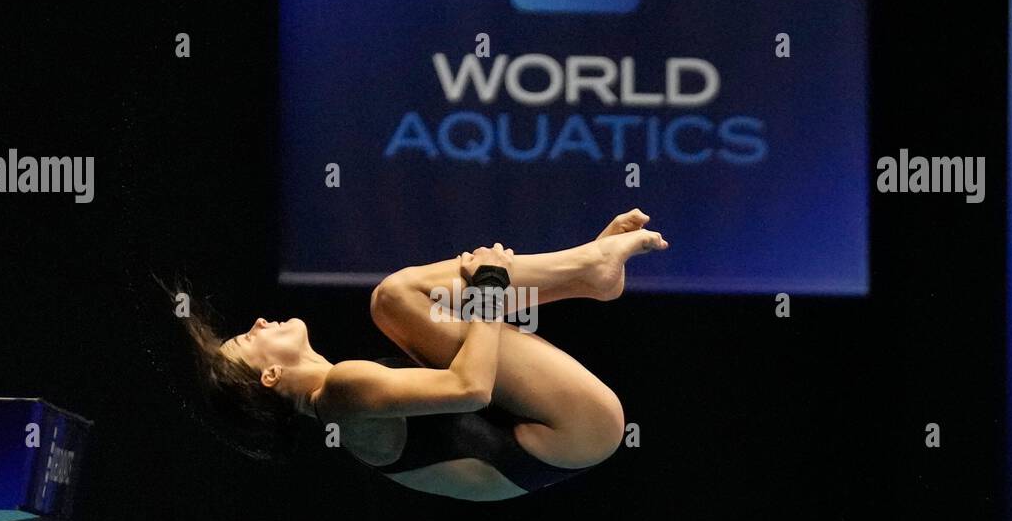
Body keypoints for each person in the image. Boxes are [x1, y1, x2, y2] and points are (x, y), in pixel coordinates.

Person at [175, 209, 667, 501]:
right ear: (271, 376)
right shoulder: (342, 391)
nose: (258, 323)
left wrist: (485, 296)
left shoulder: (342, 402)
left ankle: (587, 272)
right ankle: (586, 268)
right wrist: (490, 290)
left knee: (396, 303)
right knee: (395, 297)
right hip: (569, 431)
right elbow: (470, 388)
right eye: (246, 340)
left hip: (548, 439)